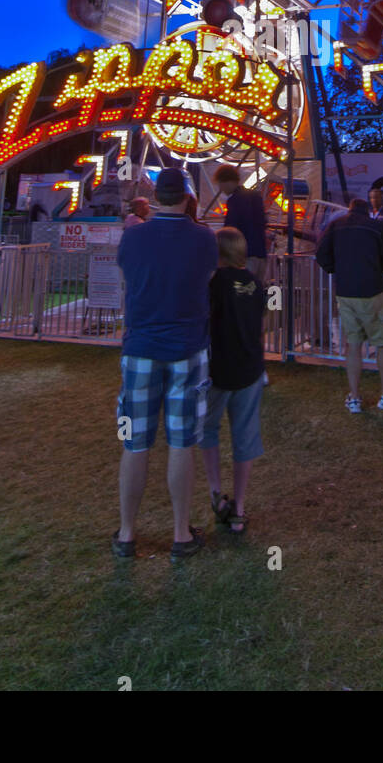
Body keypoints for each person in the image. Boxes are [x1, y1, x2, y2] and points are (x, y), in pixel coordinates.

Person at [113, 167, 218, 562]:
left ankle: (126, 533)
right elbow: (206, 278)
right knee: (181, 443)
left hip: (140, 347)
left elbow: (129, 280)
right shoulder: (204, 239)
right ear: (189, 198)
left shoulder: (133, 237)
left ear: (155, 198)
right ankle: (179, 533)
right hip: (188, 349)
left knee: (135, 443)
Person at [315, 197, 383, 413]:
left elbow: (321, 254)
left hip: (345, 291)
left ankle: (355, 398)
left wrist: (336, 270)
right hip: (372, 290)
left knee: (353, 344)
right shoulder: (378, 228)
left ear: (349, 210)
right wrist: (378, 270)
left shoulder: (335, 226)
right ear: (367, 211)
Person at [200, 227, 266, 535]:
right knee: (245, 436)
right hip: (250, 368)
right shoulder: (256, 284)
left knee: (207, 429)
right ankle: (238, 508)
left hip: (219, 370)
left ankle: (216, 493)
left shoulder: (214, 284)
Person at [214, 165, 268, 281]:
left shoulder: (234, 201)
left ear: (226, 181)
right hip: (260, 254)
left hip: (243, 258)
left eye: (220, 184)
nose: (220, 188)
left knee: (242, 294)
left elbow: (230, 230)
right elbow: (263, 222)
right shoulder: (255, 196)